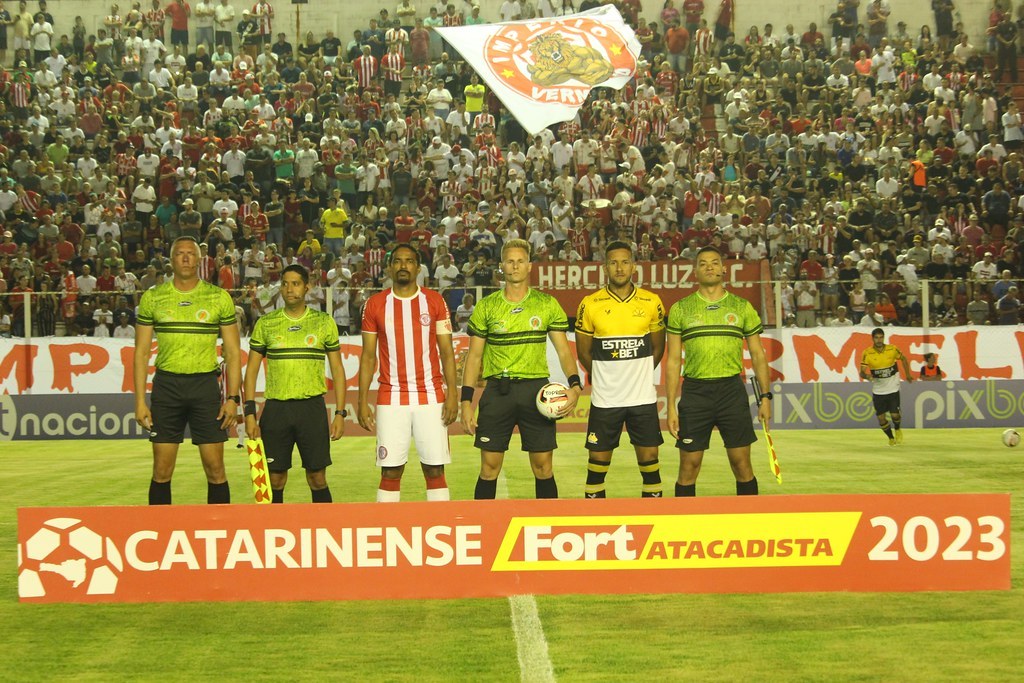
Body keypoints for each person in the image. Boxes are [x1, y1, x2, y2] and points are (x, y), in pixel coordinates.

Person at [460, 238, 581, 500]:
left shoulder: (546, 304)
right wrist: (466, 402)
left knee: (543, 467)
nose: (515, 266)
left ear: (529, 266)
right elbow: (474, 357)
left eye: (520, 261)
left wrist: (575, 385)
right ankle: (485, 532)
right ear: (502, 266)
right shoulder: (487, 306)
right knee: (489, 468)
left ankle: (547, 533)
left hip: (536, 392)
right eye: (510, 261)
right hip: (497, 392)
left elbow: (563, 350)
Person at [134, 236, 242, 505]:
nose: (185, 258)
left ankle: (220, 535)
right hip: (167, 387)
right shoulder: (154, 297)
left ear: (199, 259)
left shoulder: (218, 297)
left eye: (190, 254)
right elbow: (141, 353)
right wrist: (138, 402)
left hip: (205, 387)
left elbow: (232, 353)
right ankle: (159, 535)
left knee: (216, 468)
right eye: (179, 253)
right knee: (161, 470)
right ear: (171, 260)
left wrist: (232, 399)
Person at [664, 246, 771, 496]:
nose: (709, 267)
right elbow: (673, 361)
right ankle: (683, 526)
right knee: (689, 466)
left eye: (714, 263)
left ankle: (748, 524)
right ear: (695, 271)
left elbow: (758, 354)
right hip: (695, 392)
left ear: (724, 269)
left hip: (731, 391)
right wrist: (670, 406)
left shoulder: (741, 306)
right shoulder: (681, 309)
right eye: (703, 263)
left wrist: (765, 397)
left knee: (741, 463)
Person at [357, 243, 459, 502]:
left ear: (418, 267)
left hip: (431, 396)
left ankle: (440, 529)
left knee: (435, 468)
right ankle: (387, 531)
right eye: (398, 261)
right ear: (390, 267)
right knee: (390, 471)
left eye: (409, 261)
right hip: (391, 398)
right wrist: (361, 401)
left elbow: (447, 352)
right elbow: (368, 357)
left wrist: (452, 395)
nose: (403, 265)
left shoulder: (434, 301)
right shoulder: (375, 304)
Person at [243, 264, 346, 503]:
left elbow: (338, 370)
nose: (290, 289)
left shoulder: (323, 322)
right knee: (273, 480)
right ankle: (269, 534)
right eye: (285, 284)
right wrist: (249, 413)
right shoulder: (266, 323)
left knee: (318, 478)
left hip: (311, 409)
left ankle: (323, 533)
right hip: (276, 409)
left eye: (296, 283)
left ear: (306, 287)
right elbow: (251, 370)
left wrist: (340, 413)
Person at [575, 240, 666, 498]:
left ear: (634, 266)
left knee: (650, 462)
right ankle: (597, 523)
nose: (619, 268)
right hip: (606, 400)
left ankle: (653, 522)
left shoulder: (652, 301)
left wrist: (637, 373)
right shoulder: (590, 304)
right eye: (613, 262)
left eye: (625, 262)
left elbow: (658, 349)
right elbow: (583, 352)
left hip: (642, 399)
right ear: (605, 267)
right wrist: (605, 376)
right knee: (597, 465)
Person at [859, 327, 913, 445]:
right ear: (873, 339)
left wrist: (908, 374)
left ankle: (897, 428)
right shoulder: (867, 353)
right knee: (881, 418)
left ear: (883, 337)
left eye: (881, 337)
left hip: (893, 387)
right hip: (878, 390)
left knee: (895, 414)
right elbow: (861, 372)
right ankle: (890, 437)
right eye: (876, 338)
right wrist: (867, 376)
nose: (879, 340)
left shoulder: (892, 349)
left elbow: (903, 359)